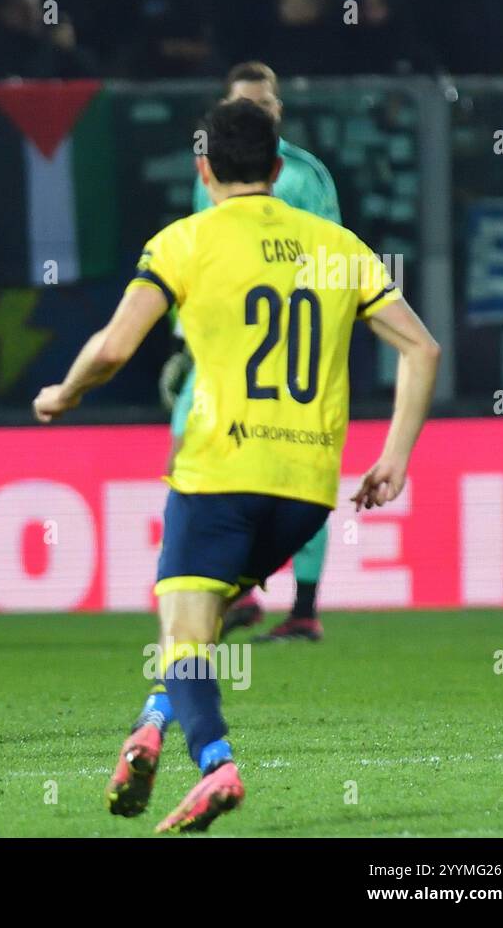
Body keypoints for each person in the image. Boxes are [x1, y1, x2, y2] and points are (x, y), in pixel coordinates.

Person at [32, 99, 439, 832]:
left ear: (204, 167)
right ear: (279, 169)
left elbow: (117, 347)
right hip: (306, 488)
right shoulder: (339, 245)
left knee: (183, 632)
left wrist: (64, 391)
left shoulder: (184, 241)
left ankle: (217, 765)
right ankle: (149, 728)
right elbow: (422, 348)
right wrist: (395, 455)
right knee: (207, 617)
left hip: (219, 473)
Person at [169, 61, 342, 642]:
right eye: (245, 103)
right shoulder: (210, 173)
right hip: (224, 348)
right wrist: (185, 339)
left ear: (279, 111)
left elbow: (335, 261)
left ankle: (304, 605)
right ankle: (234, 588)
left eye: (265, 104)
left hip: (287, 350)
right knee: (193, 439)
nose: (256, 112)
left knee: (297, 463)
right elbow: (198, 259)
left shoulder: (304, 175)